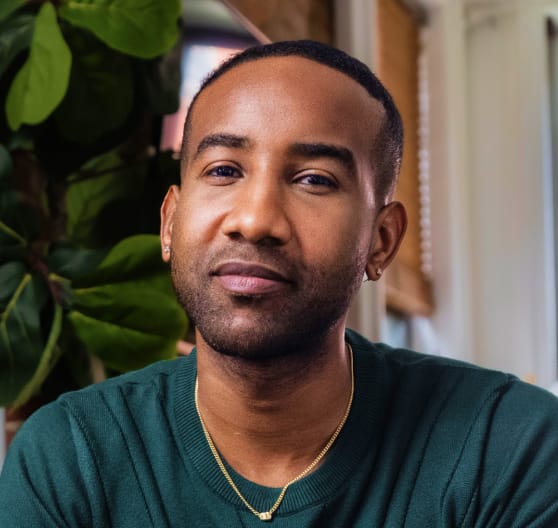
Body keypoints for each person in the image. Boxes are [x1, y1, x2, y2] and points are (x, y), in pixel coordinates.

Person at [1, 40, 558, 527]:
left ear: (381, 241)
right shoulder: (73, 458)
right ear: (169, 223)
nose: (255, 219)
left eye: (315, 180)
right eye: (223, 170)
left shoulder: (508, 447)